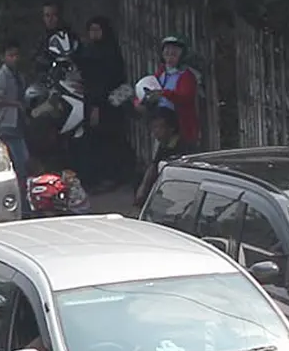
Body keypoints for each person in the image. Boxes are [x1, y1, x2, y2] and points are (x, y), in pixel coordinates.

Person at [76, 17, 133, 190]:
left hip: (108, 105)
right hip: (92, 101)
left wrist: (97, 105)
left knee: (109, 140)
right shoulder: (88, 51)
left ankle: (112, 177)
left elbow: (110, 80)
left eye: (97, 30)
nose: (94, 34)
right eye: (91, 30)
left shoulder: (110, 52)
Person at [136, 35, 203, 147]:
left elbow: (185, 97)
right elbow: (148, 88)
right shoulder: (161, 73)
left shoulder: (186, 76)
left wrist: (163, 93)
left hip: (178, 126)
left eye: (174, 53)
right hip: (160, 123)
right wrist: (140, 101)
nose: (170, 56)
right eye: (167, 52)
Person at [0, 38, 31, 187]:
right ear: (3, 57)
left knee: (22, 158)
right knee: (19, 158)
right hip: (6, 121)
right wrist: (15, 103)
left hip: (18, 120)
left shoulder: (17, 74)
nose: (14, 59)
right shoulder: (2, 76)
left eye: (16, 55)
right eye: (10, 55)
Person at [135, 102, 191, 208]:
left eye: (159, 127)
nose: (155, 132)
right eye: (153, 127)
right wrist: (143, 187)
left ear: (171, 128)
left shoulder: (182, 146)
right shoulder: (164, 145)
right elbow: (154, 165)